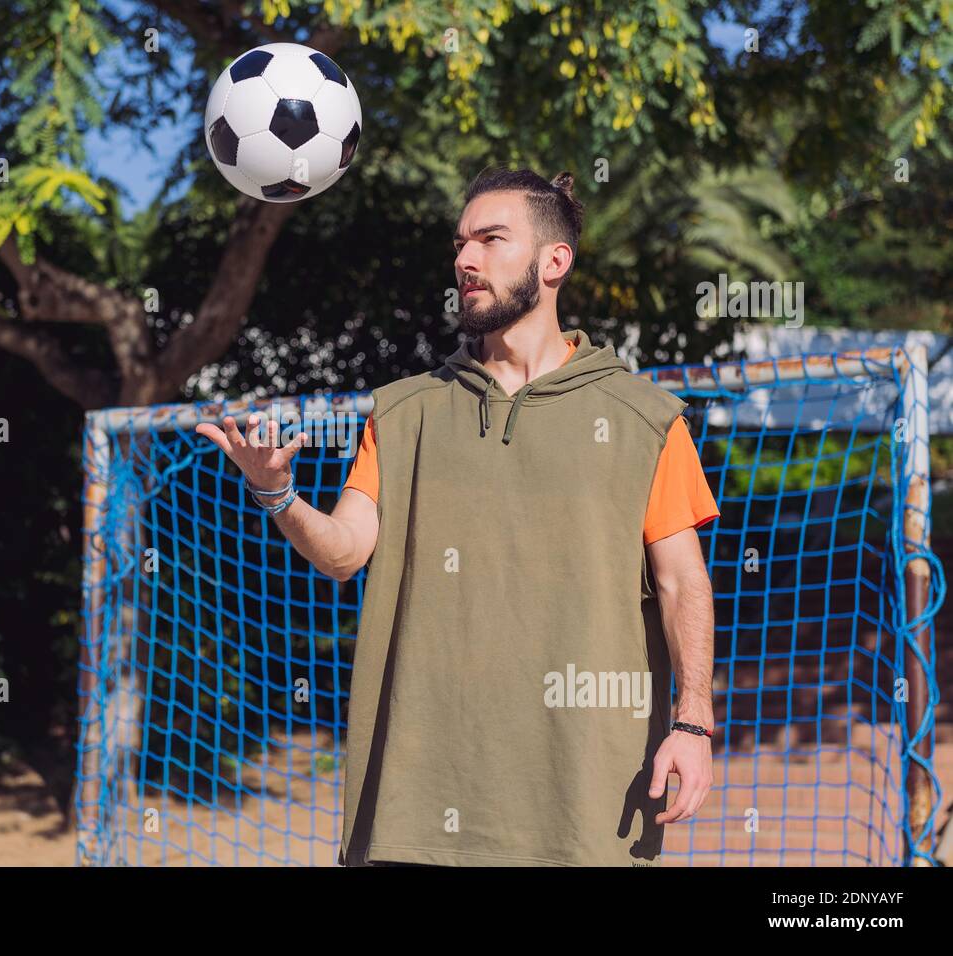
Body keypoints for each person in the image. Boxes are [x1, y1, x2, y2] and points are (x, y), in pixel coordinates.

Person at [196, 167, 718, 867]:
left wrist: (693, 723)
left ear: (554, 261)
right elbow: (345, 553)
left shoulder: (643, 419)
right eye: (460, 244)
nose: (464, 261)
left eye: (491, 240)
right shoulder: (403, 412)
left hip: (588, 807)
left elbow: (684, 584)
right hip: (418, 807)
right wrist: (277, 495)